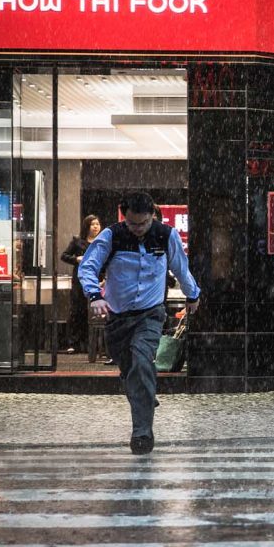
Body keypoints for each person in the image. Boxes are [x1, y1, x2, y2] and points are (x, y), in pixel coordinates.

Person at [79, 192, 200, 455]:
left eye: (143, 223)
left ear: (152, 216)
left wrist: (193, 295)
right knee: (130, 369)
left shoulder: (166, 236)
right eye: (132, 224)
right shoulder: (112, 235)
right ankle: (144, 391)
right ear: (125, 217)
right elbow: (87, 267)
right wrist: (94, 296)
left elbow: (181, 267)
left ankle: (142, 433)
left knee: (142, 360)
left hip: (150, 314)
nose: (138, 229)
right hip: (117, 317)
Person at [61, 214, 101, 354]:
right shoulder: (78, 241)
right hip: (80, 279)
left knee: (94, 312)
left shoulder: (102, 242)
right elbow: (64, 256)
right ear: (87, 226)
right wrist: (76, 259)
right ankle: (73, 342)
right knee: (77, 310)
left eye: (97, 224)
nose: (96, 226)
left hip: (97, 279)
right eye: (93, 224)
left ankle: (91, 344)